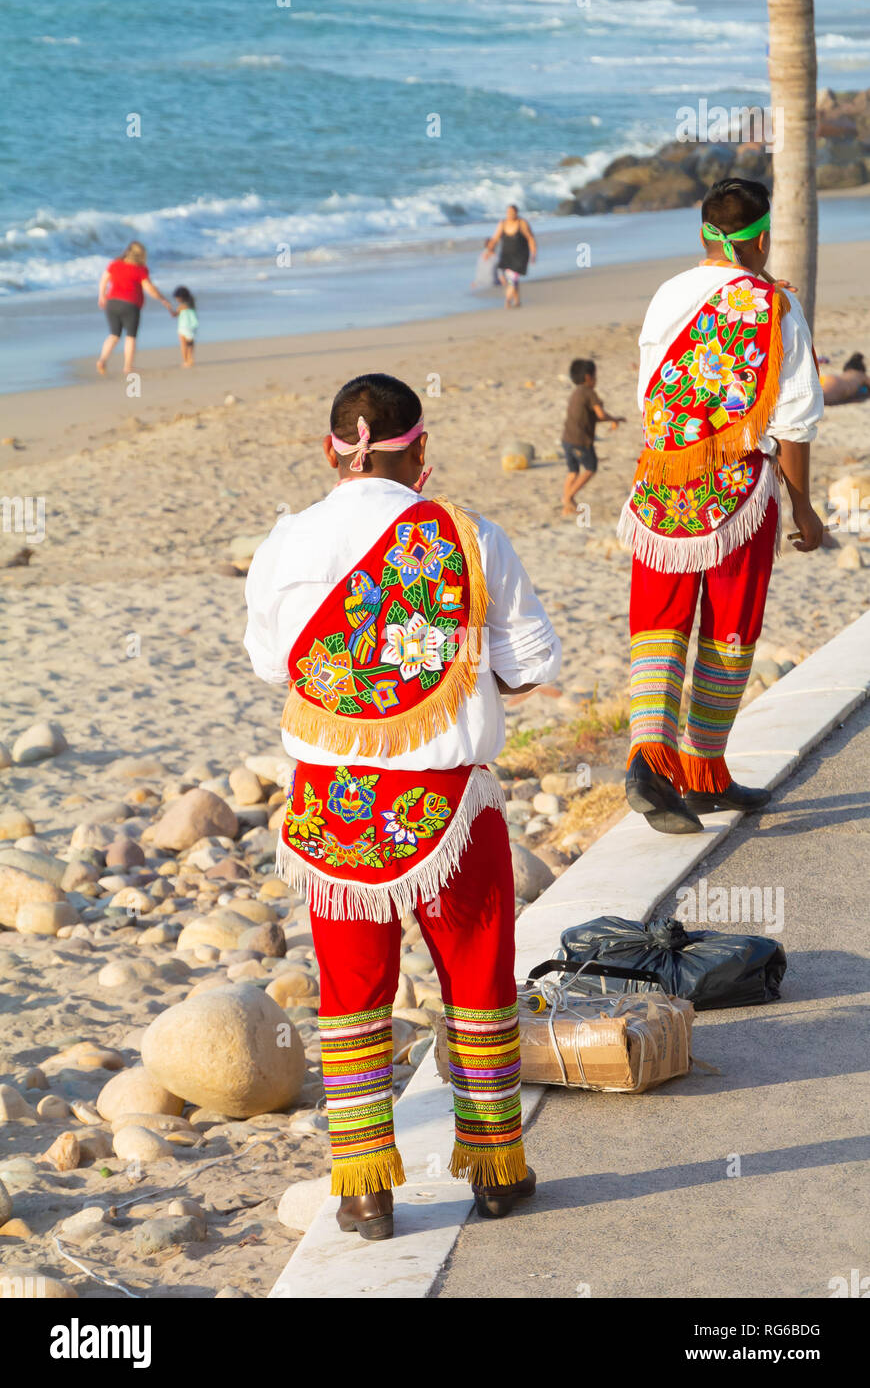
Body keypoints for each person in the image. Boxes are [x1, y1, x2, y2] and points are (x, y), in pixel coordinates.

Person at [244, 373, 560, 1240]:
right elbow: (532, 664)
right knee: (479, 981)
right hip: (449, 802)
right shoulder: (468, 536)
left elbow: (278, 666)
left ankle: (364, 1192)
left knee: (351, 997)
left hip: (333, 806)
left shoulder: (287, 543)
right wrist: (457, 671)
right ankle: (497, 1170)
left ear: (330, 450)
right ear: (420, 450)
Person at [616, 177, 824, 833]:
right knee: (730, 628)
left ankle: (655, 762)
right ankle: (701, 769)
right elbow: (794, 422)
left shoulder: (666, 296)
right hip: (739, 488)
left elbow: (653, 392)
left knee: (659, 622)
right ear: (759, 239)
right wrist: (804, 508)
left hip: (659, 486)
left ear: (706, 234)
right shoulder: (773, 306)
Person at [96, 241, 175, 375]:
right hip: (130, 304)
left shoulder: (115, 264)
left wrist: (101, 296)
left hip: (112, 302)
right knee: (130, 336)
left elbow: (104, 279)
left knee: (114, 335)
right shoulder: (140, 270)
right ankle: (128, 366)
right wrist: (163, 299)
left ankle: (102, 360)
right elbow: (149, 289)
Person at [561, 358, 625, 517]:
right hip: (580, 440)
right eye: (595, 376)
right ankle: (568, 498)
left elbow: (590, 416)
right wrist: (613, 419)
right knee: (591, 468)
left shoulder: (576, 393)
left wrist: (613, 419)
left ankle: (567, 507)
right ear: (589, 377)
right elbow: (600, 414)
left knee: (573, 472)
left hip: (567, 438)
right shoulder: (589, 393)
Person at [484, 204, 537, 308]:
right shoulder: (502, 224)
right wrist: (488, 251)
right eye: (508, 212)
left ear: (516, 213)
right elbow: (495, 238)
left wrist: (533, 253)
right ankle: (517, 301)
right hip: (506, 256)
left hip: (520, 256)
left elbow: (530, 238)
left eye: (512, 212)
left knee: (513, 277)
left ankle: (508, 300)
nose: (510, 214)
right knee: (511, 278)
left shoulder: (522, 223)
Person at [172, 286, 198, 367]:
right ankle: (190, 359)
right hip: (192, 325)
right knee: (190, 343)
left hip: (183, 326)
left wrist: (171, 309)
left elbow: (176, 313)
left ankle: (186, 360)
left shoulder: (182, 306)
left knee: (183, 344)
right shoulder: (192, 303)